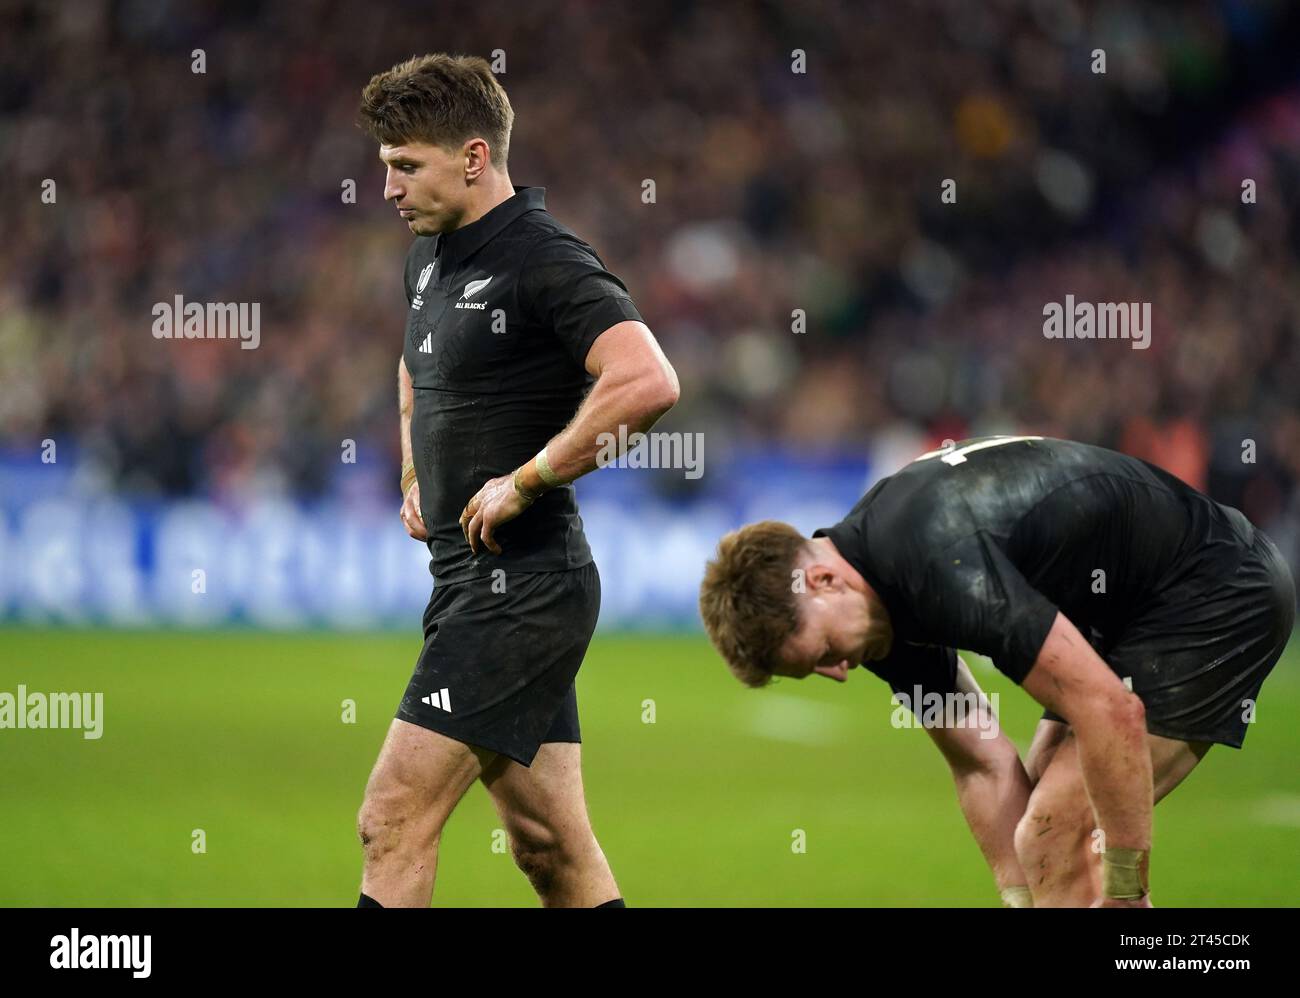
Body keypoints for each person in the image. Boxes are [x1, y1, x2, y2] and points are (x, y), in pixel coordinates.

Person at [699, 436, 1295, 907]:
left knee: (1053, 833)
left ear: (823, 580)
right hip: (1128, 612)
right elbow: (981, 763)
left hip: (1215, 590)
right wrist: (1023, 898)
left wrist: (1124, 892)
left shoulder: (935, 556)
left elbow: (1111, 710)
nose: (841, 671)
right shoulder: (875, 599)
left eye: (825, 651)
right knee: (1042, 832)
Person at [355, 53, 679, 908]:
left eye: (404, 165)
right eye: (384, 164)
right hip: (466, 584)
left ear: (472, 157)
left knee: (391, 816)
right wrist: (414, 465)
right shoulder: (427, 257)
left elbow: (647, 380)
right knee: (548, 848)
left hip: (524, 590)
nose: (386, 185)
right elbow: (412, 358)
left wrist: (527, 479)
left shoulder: (545, 258)